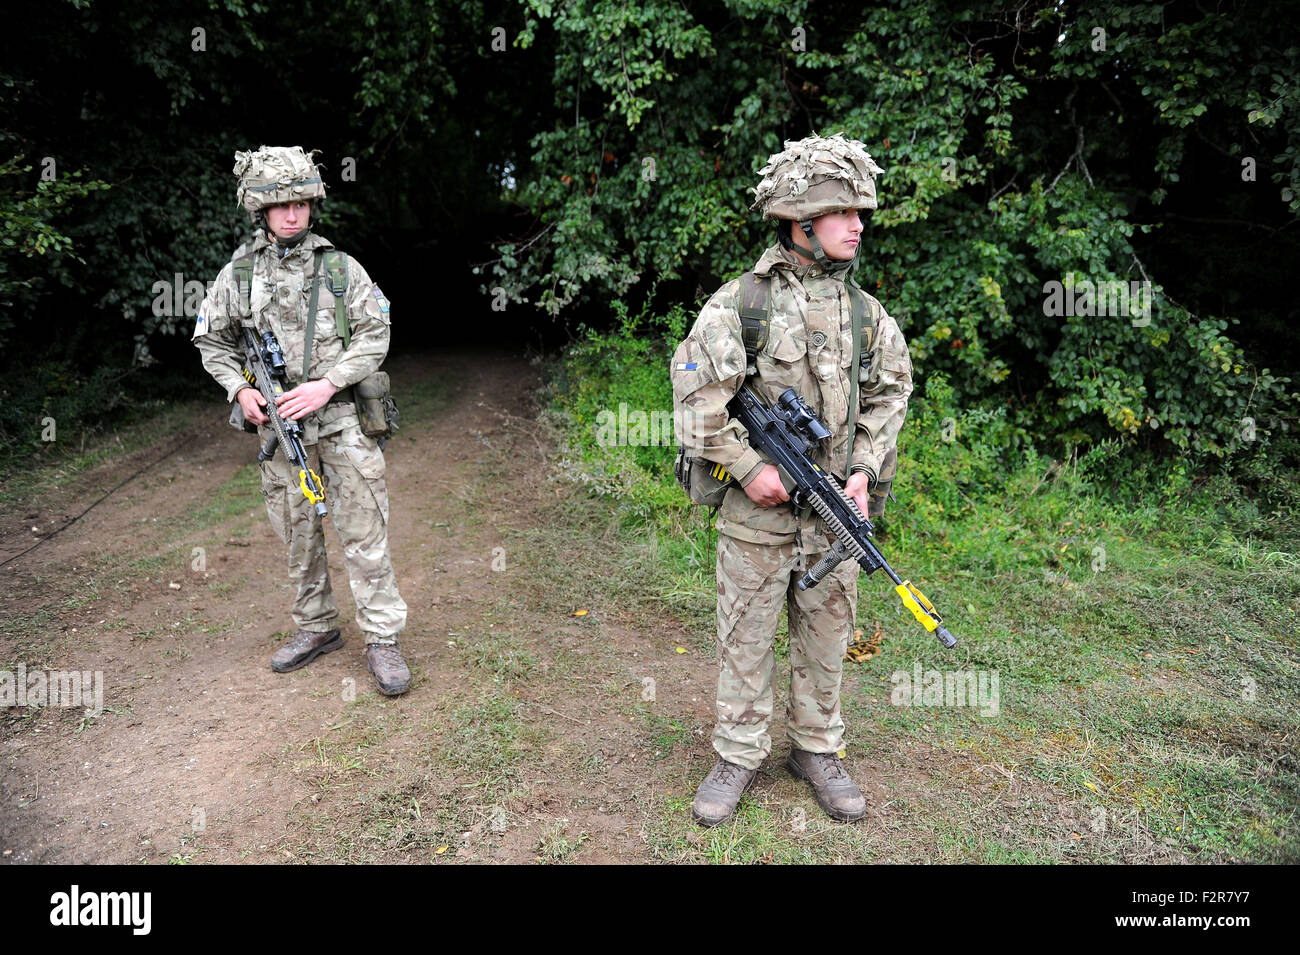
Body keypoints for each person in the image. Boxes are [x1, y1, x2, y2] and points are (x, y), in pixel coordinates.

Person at [671, 134, 913, 825]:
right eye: (843, 212)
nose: (857, 225)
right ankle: (739, 753)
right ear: (801, 221)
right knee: (745, 633)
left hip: (833, 509)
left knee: (827, 633)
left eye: (860, 213)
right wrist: (749, 468)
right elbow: (694, 400)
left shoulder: (865, 312)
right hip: (758, 511)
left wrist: (864, 471)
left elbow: (892, 394)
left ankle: (817, 747)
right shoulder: (740, 304)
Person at [192, 145, 411, 695]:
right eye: (280, 205)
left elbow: (375, 334)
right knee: (298, 537)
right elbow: (210, 341)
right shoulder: (238, 275)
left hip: (341, 425)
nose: (293, 214)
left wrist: (328, 383)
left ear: (313, 206)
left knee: (365, 534)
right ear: (259, 210)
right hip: (278, 434)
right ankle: (316, 629)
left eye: (302, 204)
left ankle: (382, 639)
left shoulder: (341, 269)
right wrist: (240, 390)